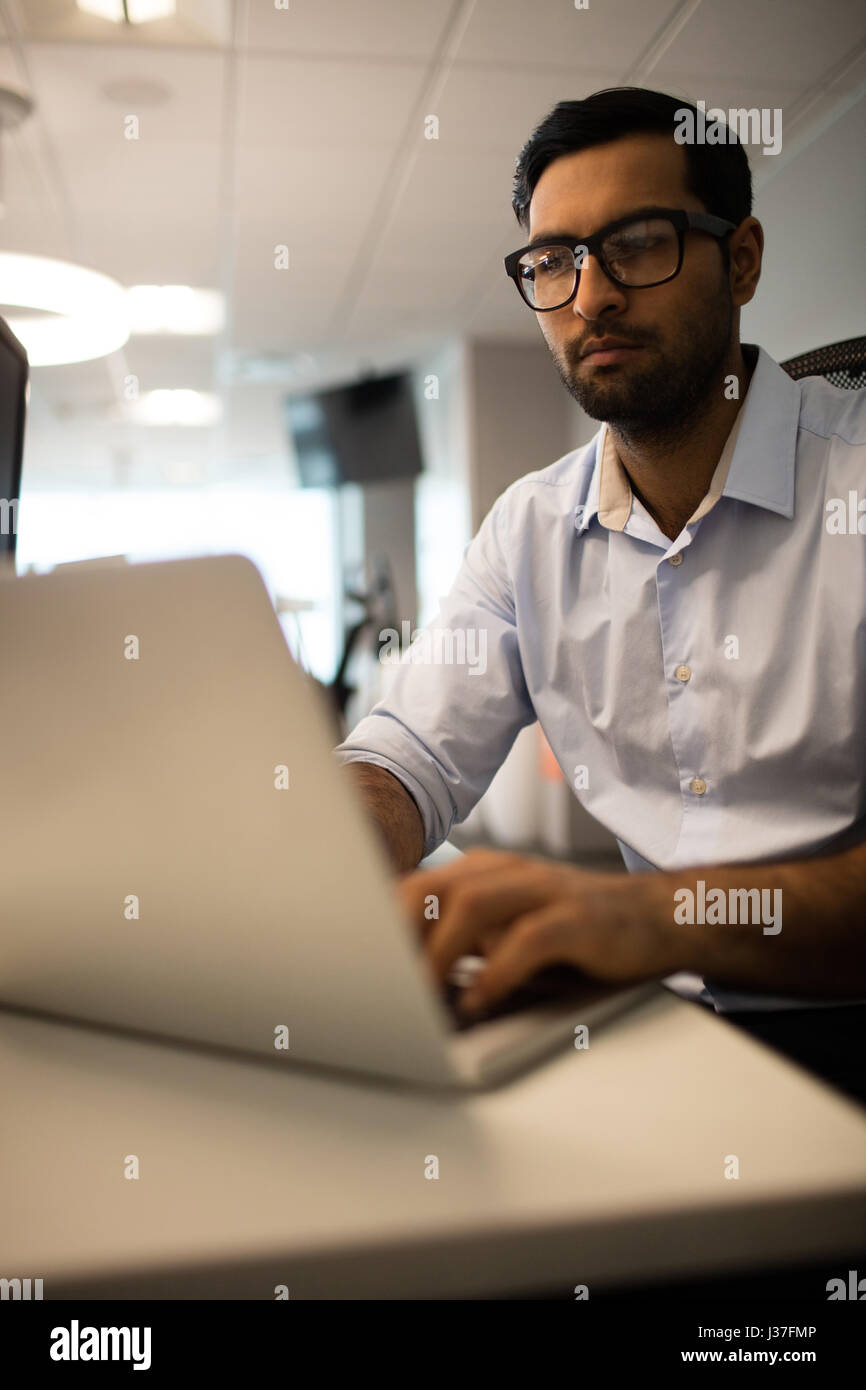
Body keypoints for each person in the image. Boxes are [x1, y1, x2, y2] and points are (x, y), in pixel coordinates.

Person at [335, 87, 866, 1104]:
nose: (589, 298)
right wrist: (333, 846)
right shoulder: (529, 528)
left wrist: (644, 918)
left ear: (739, 258)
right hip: (651, 1028)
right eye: (552, 262)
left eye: (634, 243)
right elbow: (404, 755)